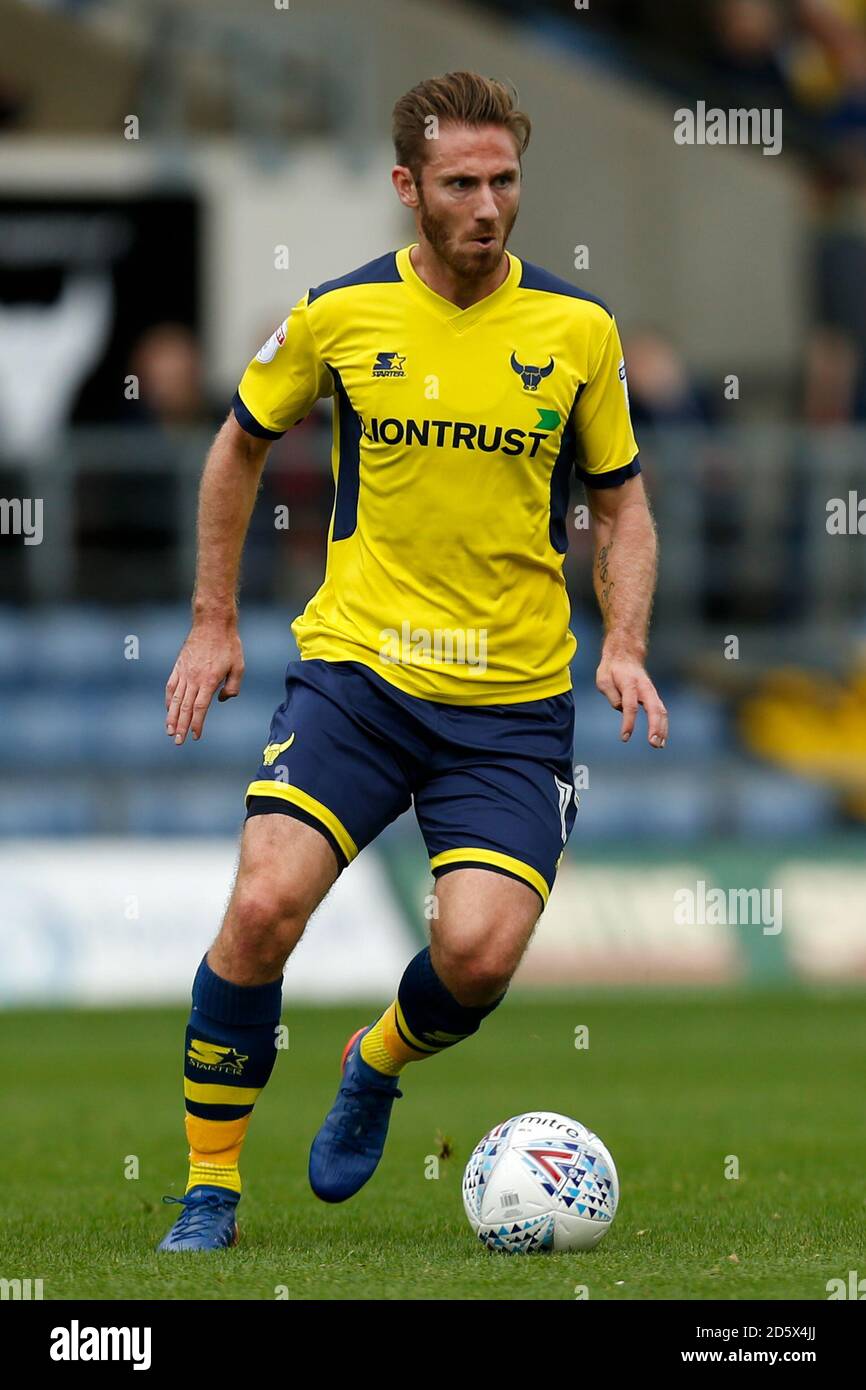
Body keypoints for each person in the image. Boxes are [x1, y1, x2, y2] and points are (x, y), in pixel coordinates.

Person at [158, 71, 667, 1251]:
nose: (488, 206)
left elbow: (623, 507)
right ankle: (210, 1188)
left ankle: (373, 1058)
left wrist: (625, 642)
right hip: (358, 676)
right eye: (460, 184)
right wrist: (211, 618)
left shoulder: (576, 333)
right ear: (407, 189)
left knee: (477, 955)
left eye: (503, 180)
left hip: (510, 703)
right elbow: (235, 449)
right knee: (262, 904)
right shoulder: (337, 316)